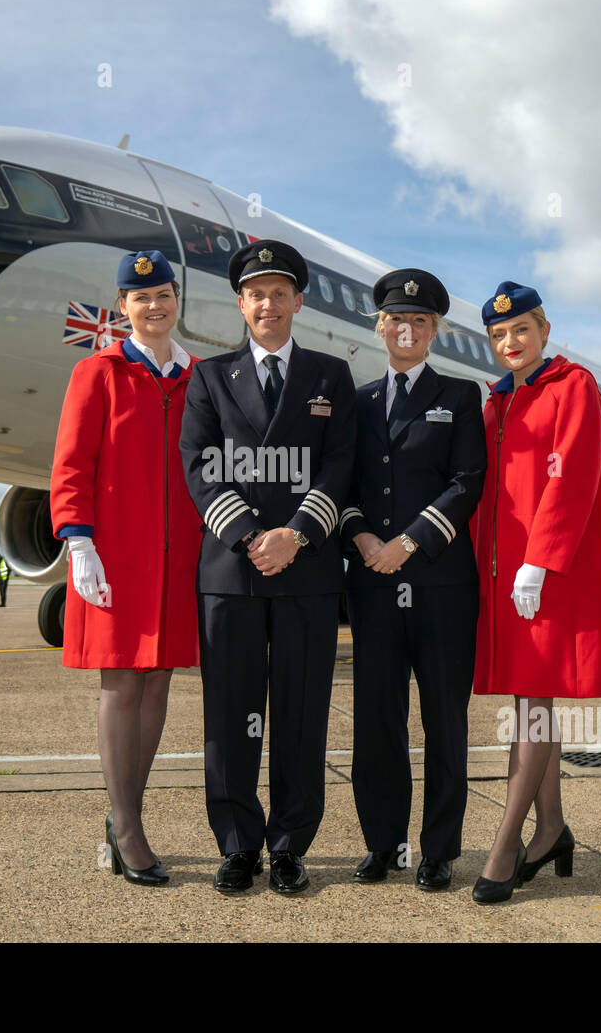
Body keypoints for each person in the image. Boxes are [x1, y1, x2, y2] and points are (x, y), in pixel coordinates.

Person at [180, 239, 357, 895]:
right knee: (229, 714)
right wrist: (255, 535)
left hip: (306, 571)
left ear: (298, 302)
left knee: (301, 711)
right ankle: (236, 844)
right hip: (232, 571)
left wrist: (299, 533)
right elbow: (200, 463)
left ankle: (287, 845)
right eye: (257, 294)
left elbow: (340, 464)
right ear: (241, 303)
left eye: (281, 293)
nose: (269, 304)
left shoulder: (329, 376)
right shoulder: (209, 375)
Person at [49, 250, 202, 887]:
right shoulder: (98, 372)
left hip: (181, 558)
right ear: (123, 307)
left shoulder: (199, 380)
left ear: (176, 301)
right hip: (115, 558)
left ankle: (124, 818)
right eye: (141, 297)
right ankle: (128, 826)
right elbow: (70, 463)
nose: (154, 305)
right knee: (121, 685)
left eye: (164, 294)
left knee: (158, 684)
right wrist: (78, 543)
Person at [471, 281, 601, 904]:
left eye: (521, 331)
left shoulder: (573, 386)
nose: (510, 342)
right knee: (532, 698)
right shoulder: (498, 401)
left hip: (544, 575)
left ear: (544, 328)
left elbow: (576, 474)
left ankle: (506, 845)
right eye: (499, 335)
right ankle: (553, 829)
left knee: (532, 703)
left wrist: (539, 561)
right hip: (507, 574)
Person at [339, 269, 486, 891]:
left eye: (420, 321)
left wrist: (410, 541)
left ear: (435, 332)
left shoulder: (461, 396)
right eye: (397, 319)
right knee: (377, 720)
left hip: (442, 585)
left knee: (444, 721)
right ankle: (382, 845)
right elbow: (339, 483)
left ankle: (438, 851)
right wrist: (364, 537)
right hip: (373, 584)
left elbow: (467, 483)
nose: (407, 329)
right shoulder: (358, 401)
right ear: (380, 326)